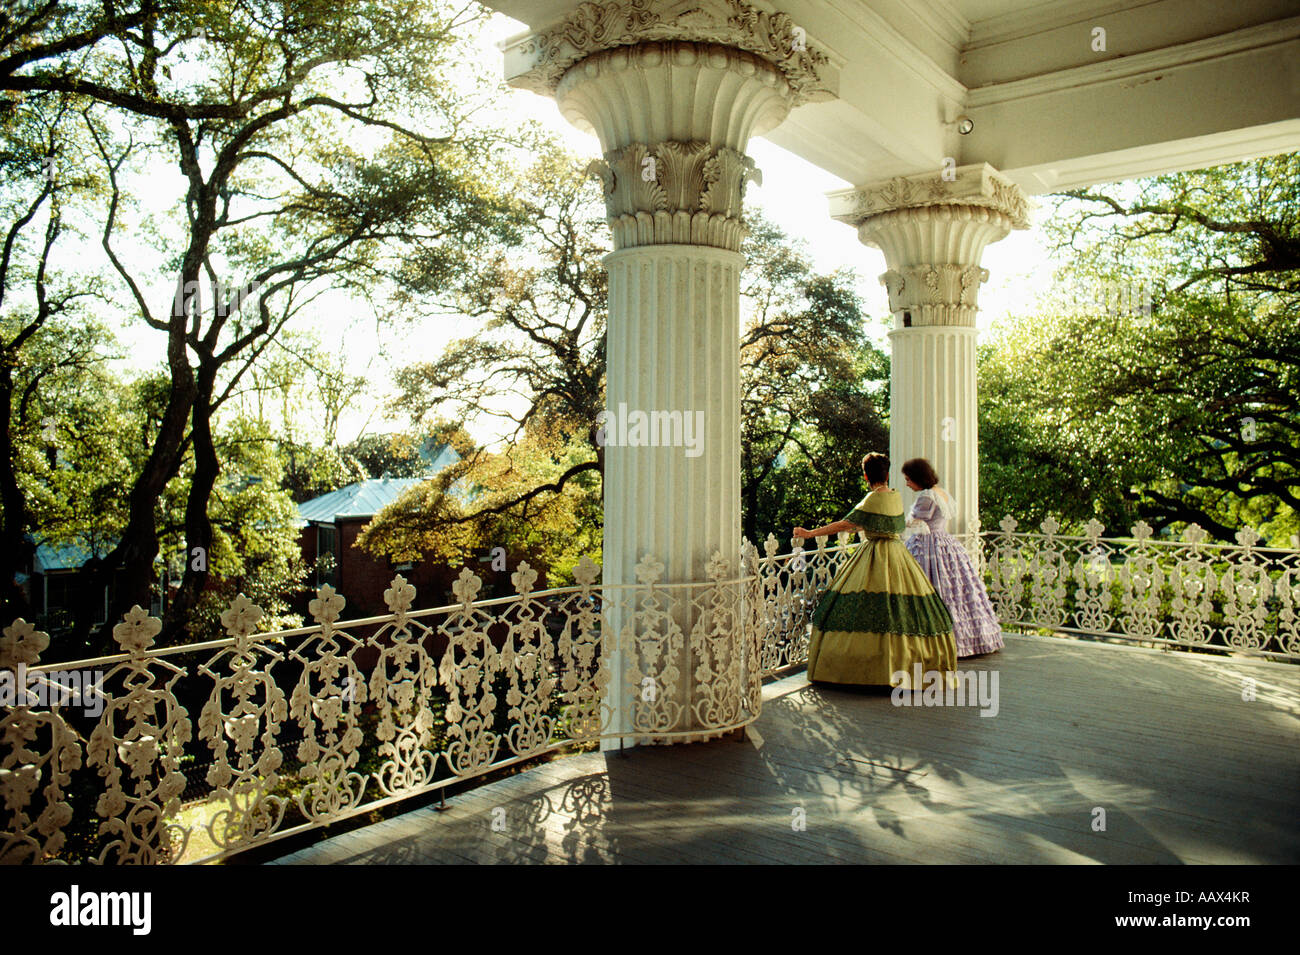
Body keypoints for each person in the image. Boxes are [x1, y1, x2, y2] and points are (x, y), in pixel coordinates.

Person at [793, 452, 957, 687]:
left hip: (873, 555)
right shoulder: (896, 497)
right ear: (888, 475)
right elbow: (897, 524)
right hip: (899, 556)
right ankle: (905, 666)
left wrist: (810, 534)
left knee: (860, 609)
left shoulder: (871, 499)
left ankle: (865, 670)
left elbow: (846, 525)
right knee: (901, 610)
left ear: (866, 476)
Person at [901, 457, 1004, 657]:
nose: (906, 483)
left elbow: (913, 522)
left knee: (931, 588)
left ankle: (936, 640)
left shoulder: (927, 496)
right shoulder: (942, 493)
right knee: (958, 592)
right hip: (946, 543)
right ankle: (966, 640)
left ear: (918, 478)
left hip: (929, 545)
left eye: (908, 479)